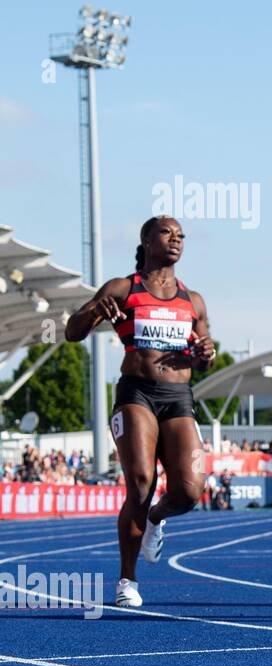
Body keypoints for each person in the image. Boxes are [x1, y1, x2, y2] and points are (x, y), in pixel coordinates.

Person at [64, 215, 216, 608]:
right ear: (147, 240)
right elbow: (72, 331)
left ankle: (155, 518)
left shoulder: (192, 300)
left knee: (188, 492)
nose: (176, 240)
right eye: (167, 233)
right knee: (141, 482)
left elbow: (204, 358)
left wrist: (205, 355)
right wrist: (95, 310)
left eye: (181, 235)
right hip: (137, 394)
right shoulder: (122, 287)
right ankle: (126, 581)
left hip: (179, 396)